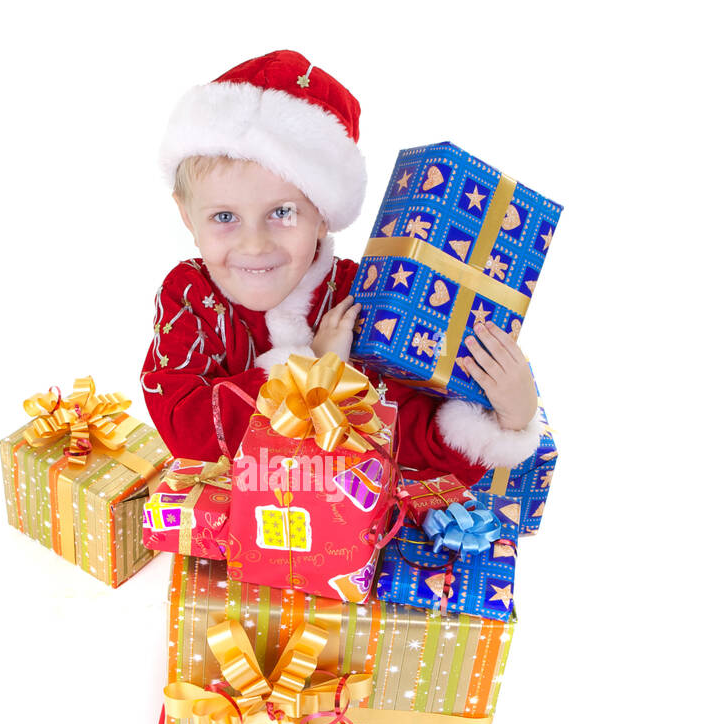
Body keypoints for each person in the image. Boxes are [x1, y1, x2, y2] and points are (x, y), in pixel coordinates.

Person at [141, 50, 543, 481]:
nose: (254, 245)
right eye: (224, 217)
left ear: (322, 215)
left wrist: (511, 417)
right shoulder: (189, 294)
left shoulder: (364, 295)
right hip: (235, 534)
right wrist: (309, 367)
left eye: (283, 213)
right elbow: (187, 429)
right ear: (187, 217)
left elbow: (416, 450)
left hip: (350, 533)